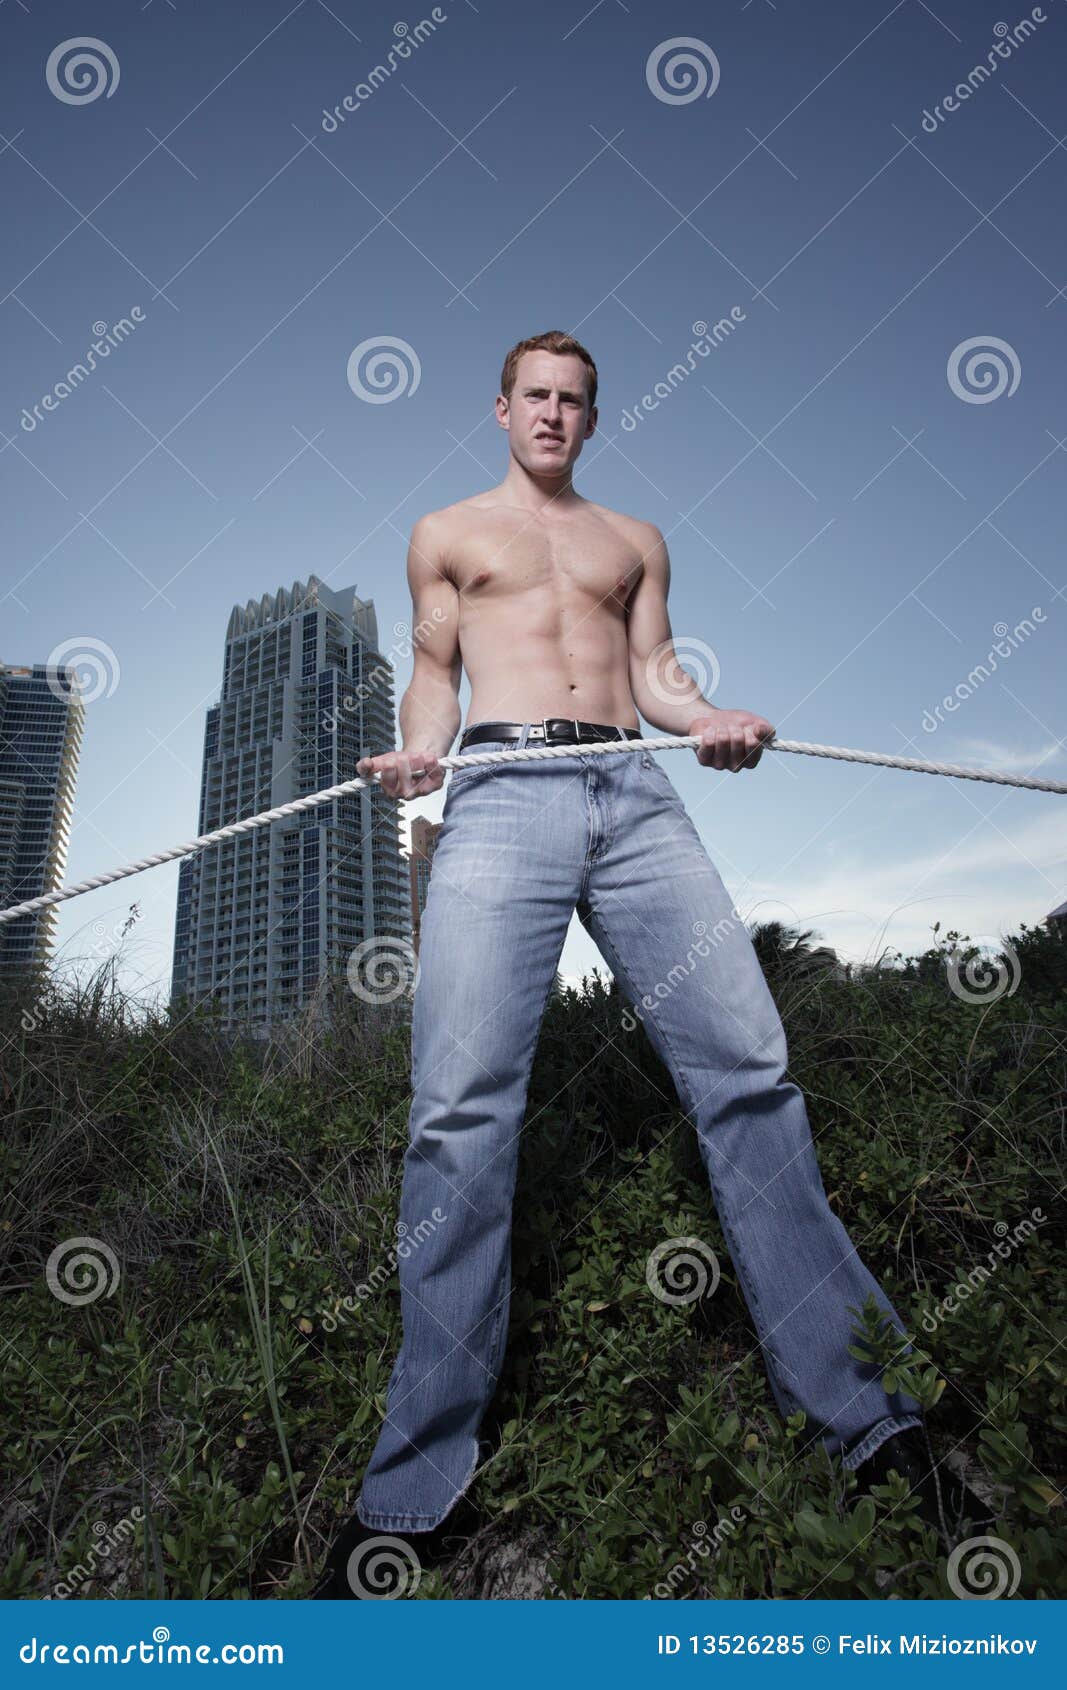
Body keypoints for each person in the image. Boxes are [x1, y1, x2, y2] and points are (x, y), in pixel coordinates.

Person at [312, 331, 990, 1599]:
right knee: (458, 1116)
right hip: (501, 789)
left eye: (576, 400)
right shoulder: (445, 532)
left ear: (591, 417)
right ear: (500, 406)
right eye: (537, 396)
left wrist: (707, 719)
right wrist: (417, 763)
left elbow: (659, 675)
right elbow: (432, 678)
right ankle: (415, 1484)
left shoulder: (632, 541)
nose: (555, 415)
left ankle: (873, 1417)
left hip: (630, 794)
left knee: (749, 1075)